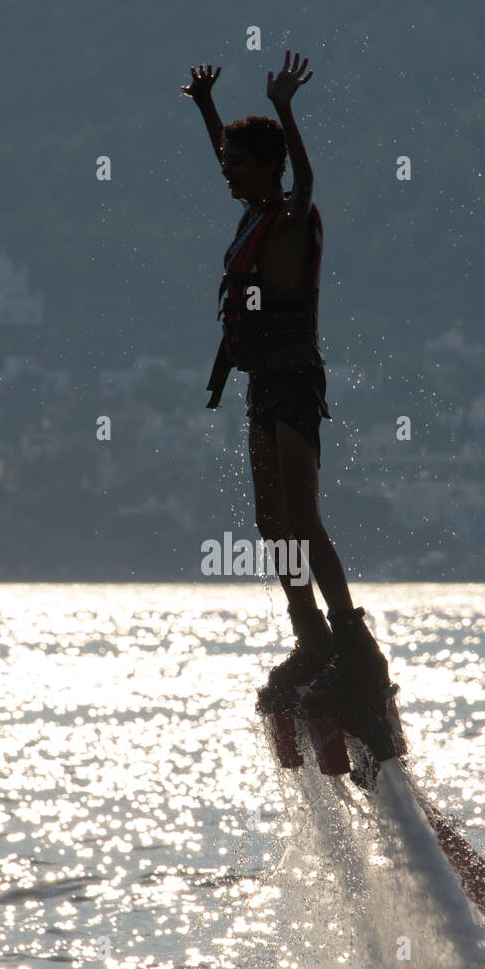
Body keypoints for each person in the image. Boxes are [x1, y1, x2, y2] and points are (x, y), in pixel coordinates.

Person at [182, 51, 396, 728]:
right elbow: (228, 155)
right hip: (262, 386)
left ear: (265, 168)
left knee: (303, 518)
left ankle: (354, 649)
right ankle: (312, 641)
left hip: (297, 379)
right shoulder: (251, 213)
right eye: (227, 164)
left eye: (239, 165)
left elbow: (304, 174)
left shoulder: (293, 213)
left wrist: (284, 110)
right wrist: (205, 108)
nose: (228, 172)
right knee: (270, 523)